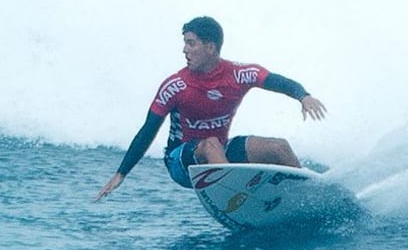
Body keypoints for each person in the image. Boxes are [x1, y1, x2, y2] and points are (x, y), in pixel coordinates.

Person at [95, 16, 327, 201]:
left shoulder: (238, 74)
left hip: (220, 154)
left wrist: (303, 96)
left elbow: (276, 80)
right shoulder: (176, 85)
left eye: (191, 43)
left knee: (278, 147)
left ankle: (310, 195)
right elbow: (148, 131)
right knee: (210, 144)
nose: (185, 50)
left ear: (210, 47)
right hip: (181, 162)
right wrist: (121, 173)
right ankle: (238, 199)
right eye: (185, 43)